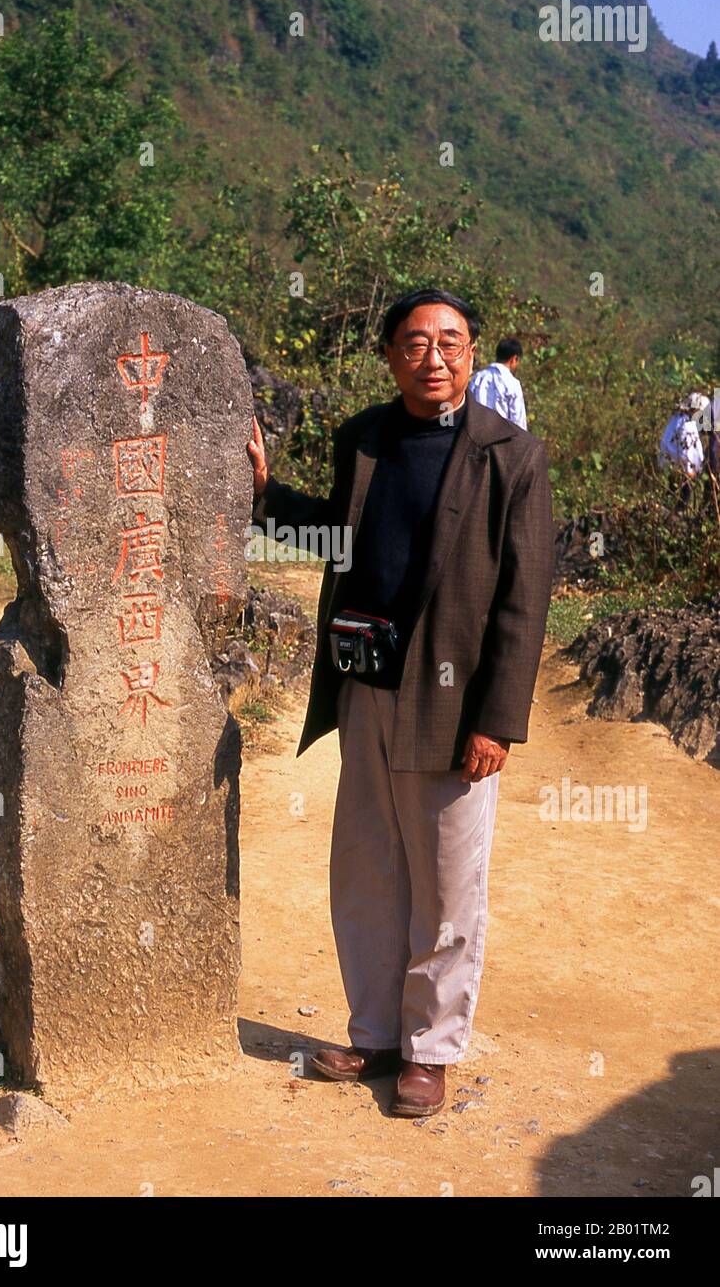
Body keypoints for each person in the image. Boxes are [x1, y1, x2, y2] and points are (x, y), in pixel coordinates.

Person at [246, 287, 554, 1118]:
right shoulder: (367, 440)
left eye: (451, 342)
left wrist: (498, 720)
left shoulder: (511, 457)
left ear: (471, 353)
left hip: (452, 706)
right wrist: (269, 495)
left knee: (450, 887)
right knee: (369, 869)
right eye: (415, 343)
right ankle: (378, 1034)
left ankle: (432, 1052)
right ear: (390, 355)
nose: (434, 357)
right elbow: (340, 537)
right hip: (366, 686)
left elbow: (526, 605)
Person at [658, 392, 709, 507]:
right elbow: (686, 451)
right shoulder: (688, 425)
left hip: (672, 466)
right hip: (682, 470)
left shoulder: (677, 419)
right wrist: (689, 469)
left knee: (671, 495)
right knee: (680, 502)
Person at [468, 336, 527, 430]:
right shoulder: (512, 383)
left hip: (477, 436)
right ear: (514, 359)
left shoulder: (478, 378)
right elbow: (518, 421)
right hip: (502, 438)